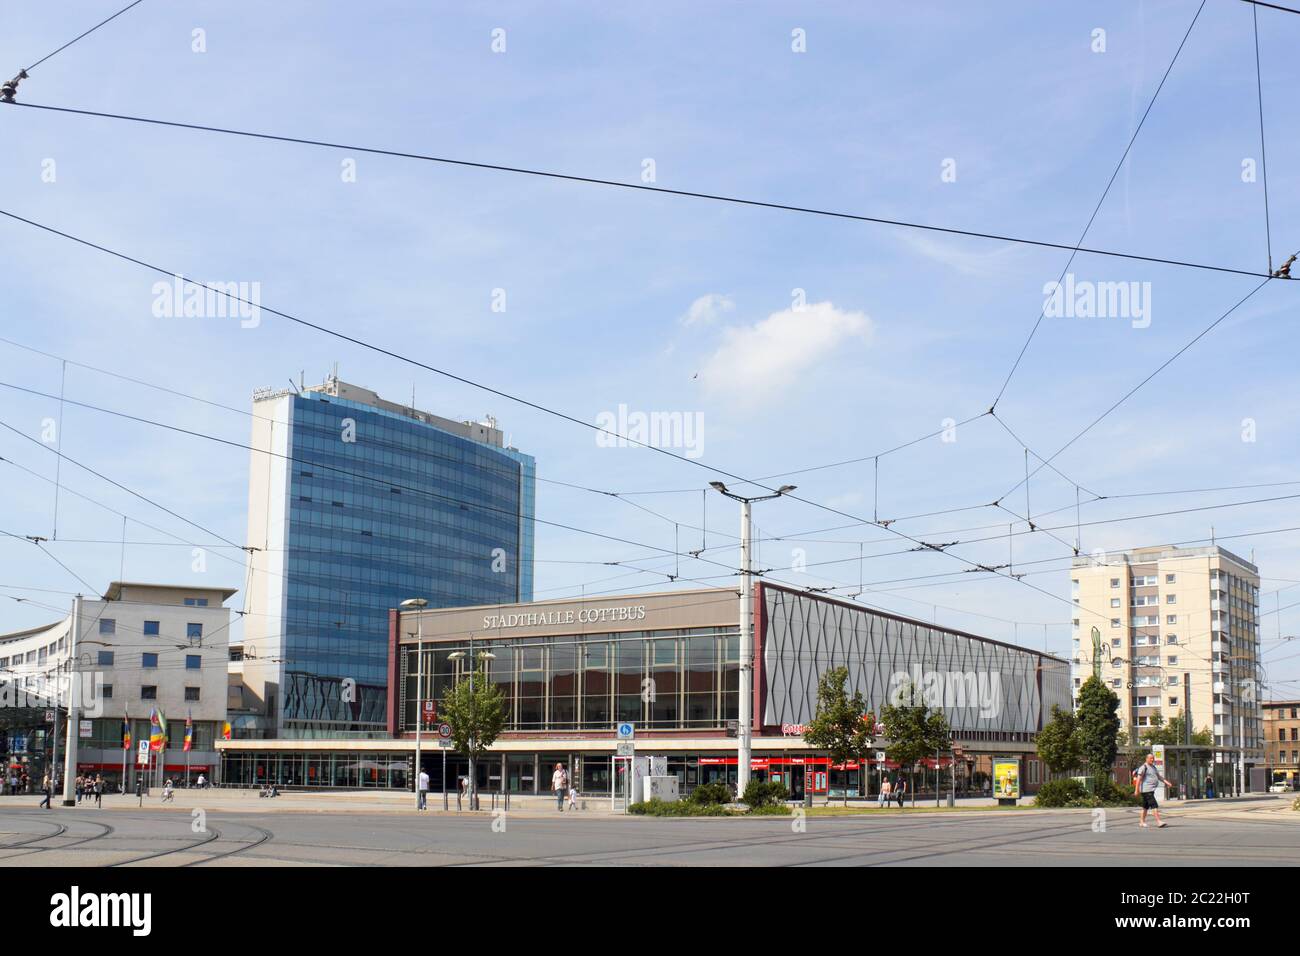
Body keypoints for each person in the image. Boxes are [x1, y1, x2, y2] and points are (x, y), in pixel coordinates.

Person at [1134, 754, 1172, 828]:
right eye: (1151, 758)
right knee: (1154, 805)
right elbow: (1138, 779)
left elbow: (1159, 777)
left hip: (1151, 790)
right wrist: (1136, 790)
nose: (1152, 760)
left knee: (1145, 807)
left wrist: (1167, 782)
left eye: (1153, 758)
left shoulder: (1153, 767)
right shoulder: (1143, 767)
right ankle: (1158, 821)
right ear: (1146, 759)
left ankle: (1141, 822)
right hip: (1146, 790)